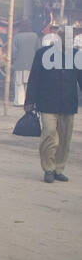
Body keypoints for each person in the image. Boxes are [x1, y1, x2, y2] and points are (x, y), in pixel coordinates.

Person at [25, 25, 82, 183]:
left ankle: (59, 168)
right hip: (47, 102)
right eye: (65, 36)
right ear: (59, 36)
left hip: (68, 104)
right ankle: (48, 169)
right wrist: (29, 100)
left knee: (64, 139)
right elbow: (34, 78)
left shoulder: (77, 56)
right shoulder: (43, 54)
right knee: (50, 135)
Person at [11, 25, 40, 106]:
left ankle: (19, 102)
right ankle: (29, 101)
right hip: (32, 64)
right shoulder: (35, 36)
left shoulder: (17, 37)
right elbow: (38, 49)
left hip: (19, 64)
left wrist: (13, 60)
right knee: (30, 84)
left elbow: (14, 52)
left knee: (19, 83)